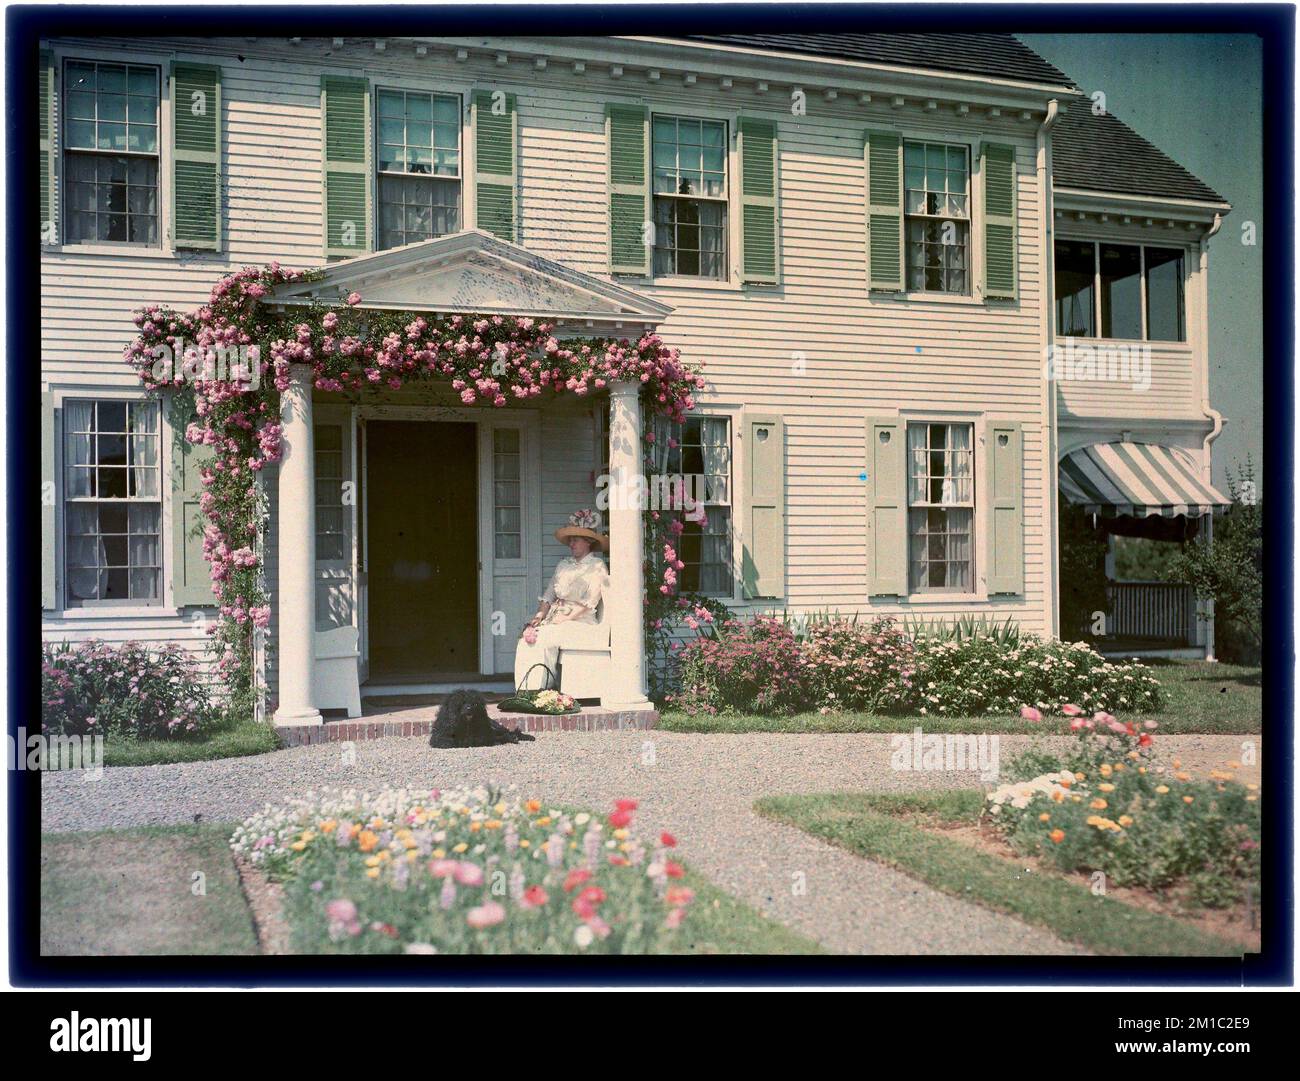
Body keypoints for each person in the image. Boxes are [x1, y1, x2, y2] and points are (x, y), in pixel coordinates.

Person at [514, 509, 610, 691]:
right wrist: (540, 615)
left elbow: (589, 602)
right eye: (570, 540)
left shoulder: (596, 567)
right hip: (556, 618)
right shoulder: (563, 565)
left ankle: (539, 690)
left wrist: (565, 619)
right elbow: (549, 594)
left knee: (544, 637)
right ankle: (525, 689)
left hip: (582, 622)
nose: (571, 544)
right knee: (527, 636)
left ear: (588, 542)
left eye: (575, 540)